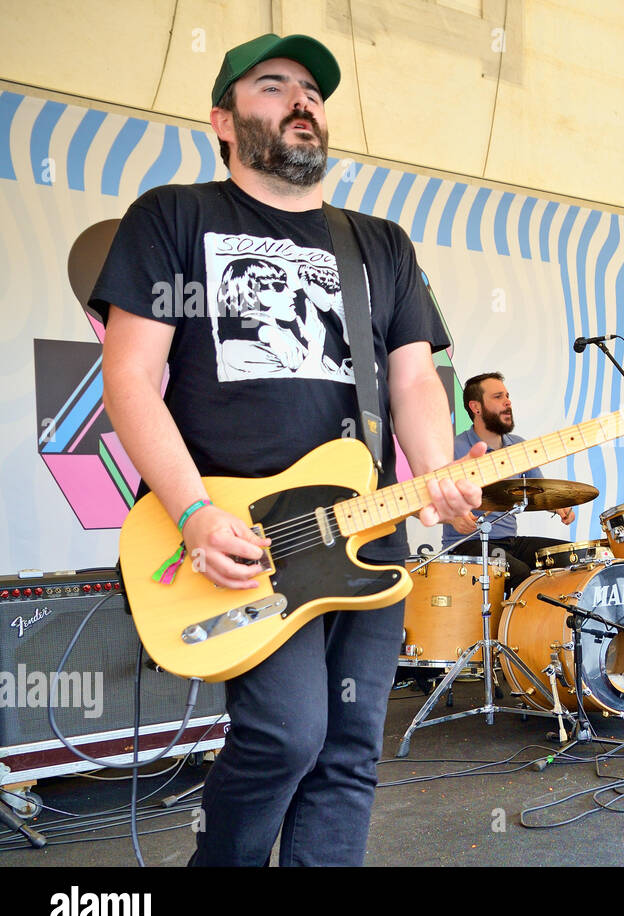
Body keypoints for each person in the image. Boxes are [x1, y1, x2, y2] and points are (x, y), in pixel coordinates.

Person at [94, 33, 482, 866]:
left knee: (347, 751)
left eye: (311, 89)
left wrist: (439, 467)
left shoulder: (379, 242)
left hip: (363, 531)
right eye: (272, 87)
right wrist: (193, 512)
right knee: (284, 735)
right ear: (223, 120)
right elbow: (129, 379)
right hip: (242, 531)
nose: (301, 100)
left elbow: (415, 378)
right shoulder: (174, 215)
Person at [441, 372, 577, 591]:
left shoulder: (519, 447)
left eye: (507, 395)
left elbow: (540, 490)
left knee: (569, 556)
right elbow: (427, 501)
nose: (508, 401)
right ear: (476, 407)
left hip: (509, 542)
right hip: (466, 545)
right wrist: (453, 518)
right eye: (498, 396)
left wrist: (558, 504)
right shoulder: (453, 449)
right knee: (519, 572)